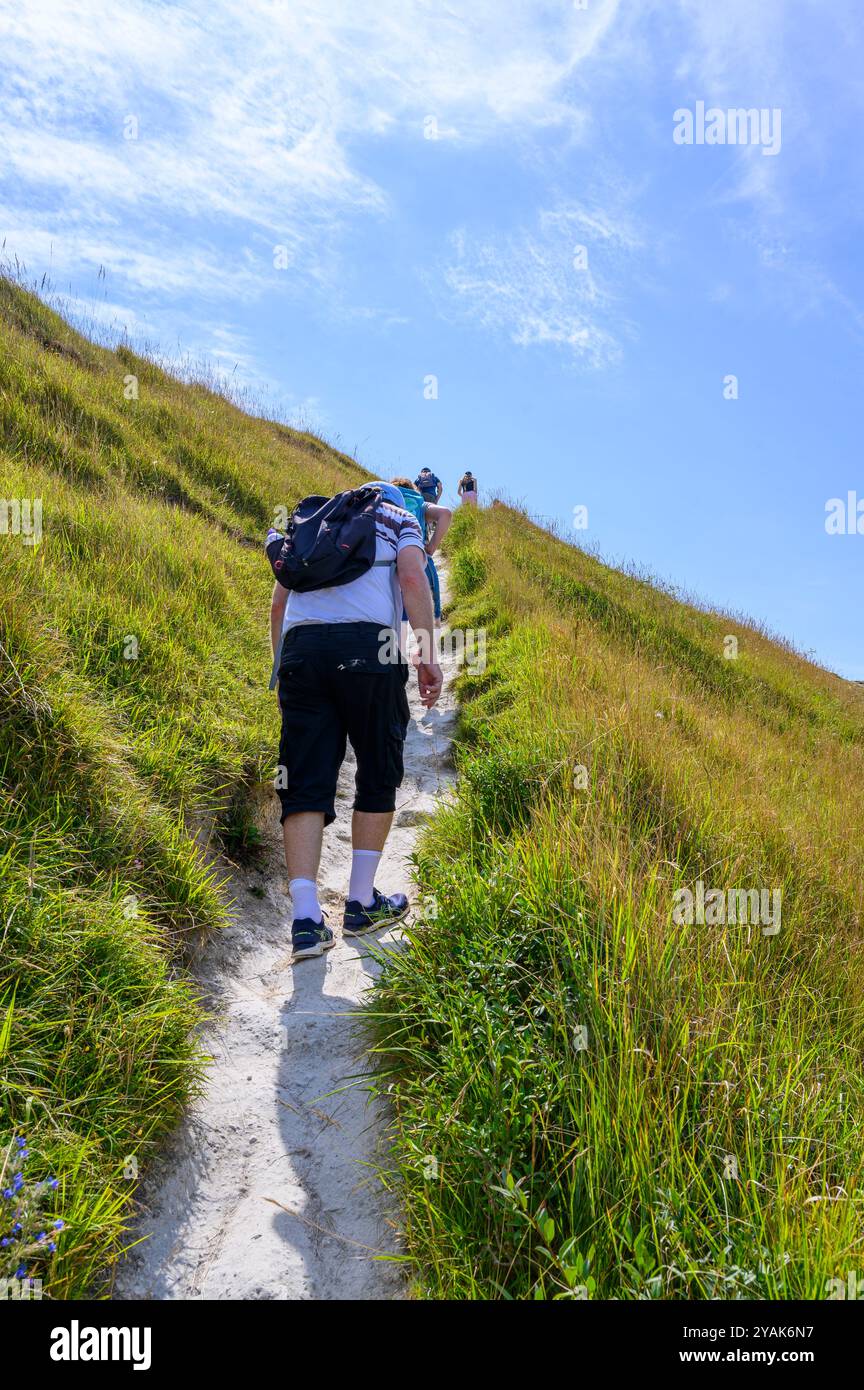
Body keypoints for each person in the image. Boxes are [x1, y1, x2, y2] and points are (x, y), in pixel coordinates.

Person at [269, 482, 444, 962]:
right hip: (372, 650)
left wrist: (281, 672)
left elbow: (278, 605)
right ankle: (361, 902)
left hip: (301, 653)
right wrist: (427, 656)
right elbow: (412, 579)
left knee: (303, 778)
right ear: (391, 497)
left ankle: (306, 920)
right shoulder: (397, 518)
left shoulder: (306, 523)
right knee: (378, 766)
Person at [390, 476, 451, 625]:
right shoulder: (419, 504)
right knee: (431, 590)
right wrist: (431, 548)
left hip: (390, 557)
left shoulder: (386, 501)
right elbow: (446, 514)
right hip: (417, 554)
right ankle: (436, 620)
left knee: (398, 612)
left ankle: (399, 638)